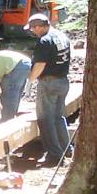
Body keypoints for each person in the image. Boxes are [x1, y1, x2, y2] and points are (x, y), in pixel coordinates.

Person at [25, 13, 71, 166]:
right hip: (63, 81)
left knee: (45, 119)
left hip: (49, 82)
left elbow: (40, 65)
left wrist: (30, 81)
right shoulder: (61, 36)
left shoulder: (45, 41)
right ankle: (67, 148)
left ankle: (55, 155)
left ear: (38, 27)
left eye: (33, 29)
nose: (33, 32)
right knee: (58, 117)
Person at [0, 49, 31, 121]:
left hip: (16, 65)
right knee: (14, 95)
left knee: (8, 96)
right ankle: (11, 118)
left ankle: (7, 121)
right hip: (23, 63)